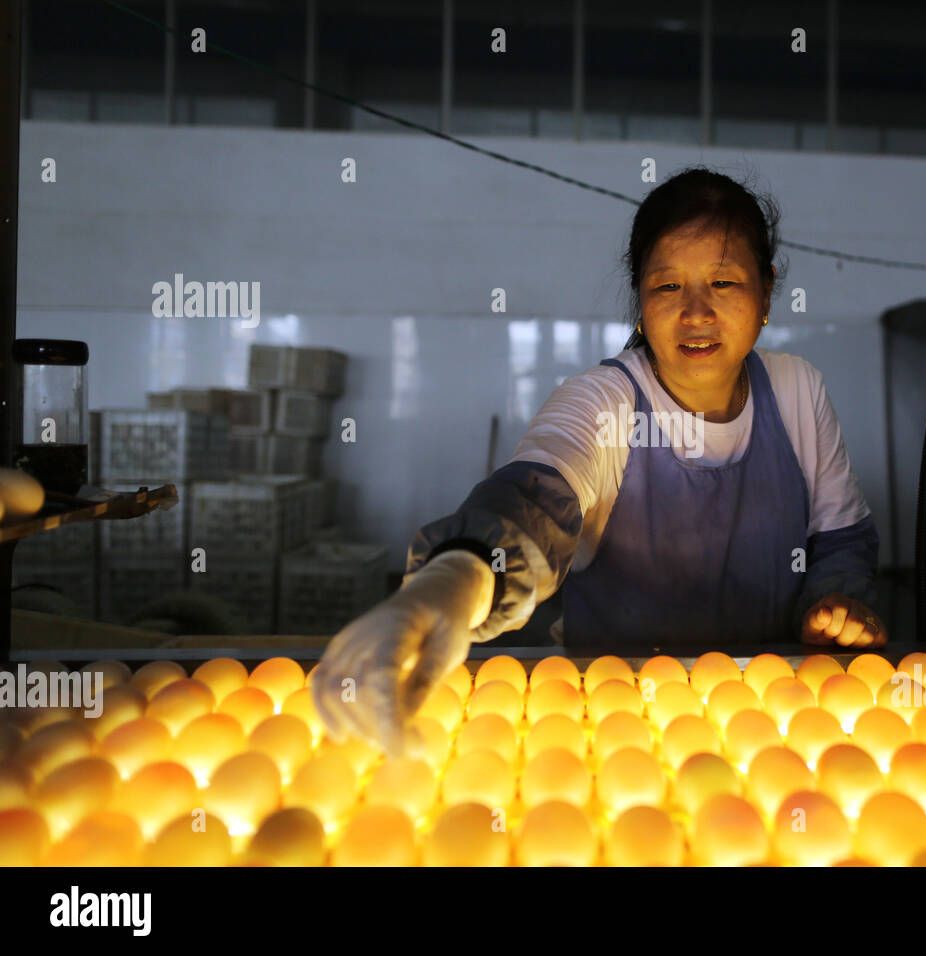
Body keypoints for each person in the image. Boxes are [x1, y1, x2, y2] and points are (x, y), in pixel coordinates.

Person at [313, 168, 885, 755]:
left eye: (723, 283)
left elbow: (839, 542)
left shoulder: (796, 391)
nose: (695, 312)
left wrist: (833, 604)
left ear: (765, 294)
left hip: (771, 725)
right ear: (640, 300)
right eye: (667, 287)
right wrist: (452, 579)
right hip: (616, 725)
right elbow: (533, 500)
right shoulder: (606, 401)